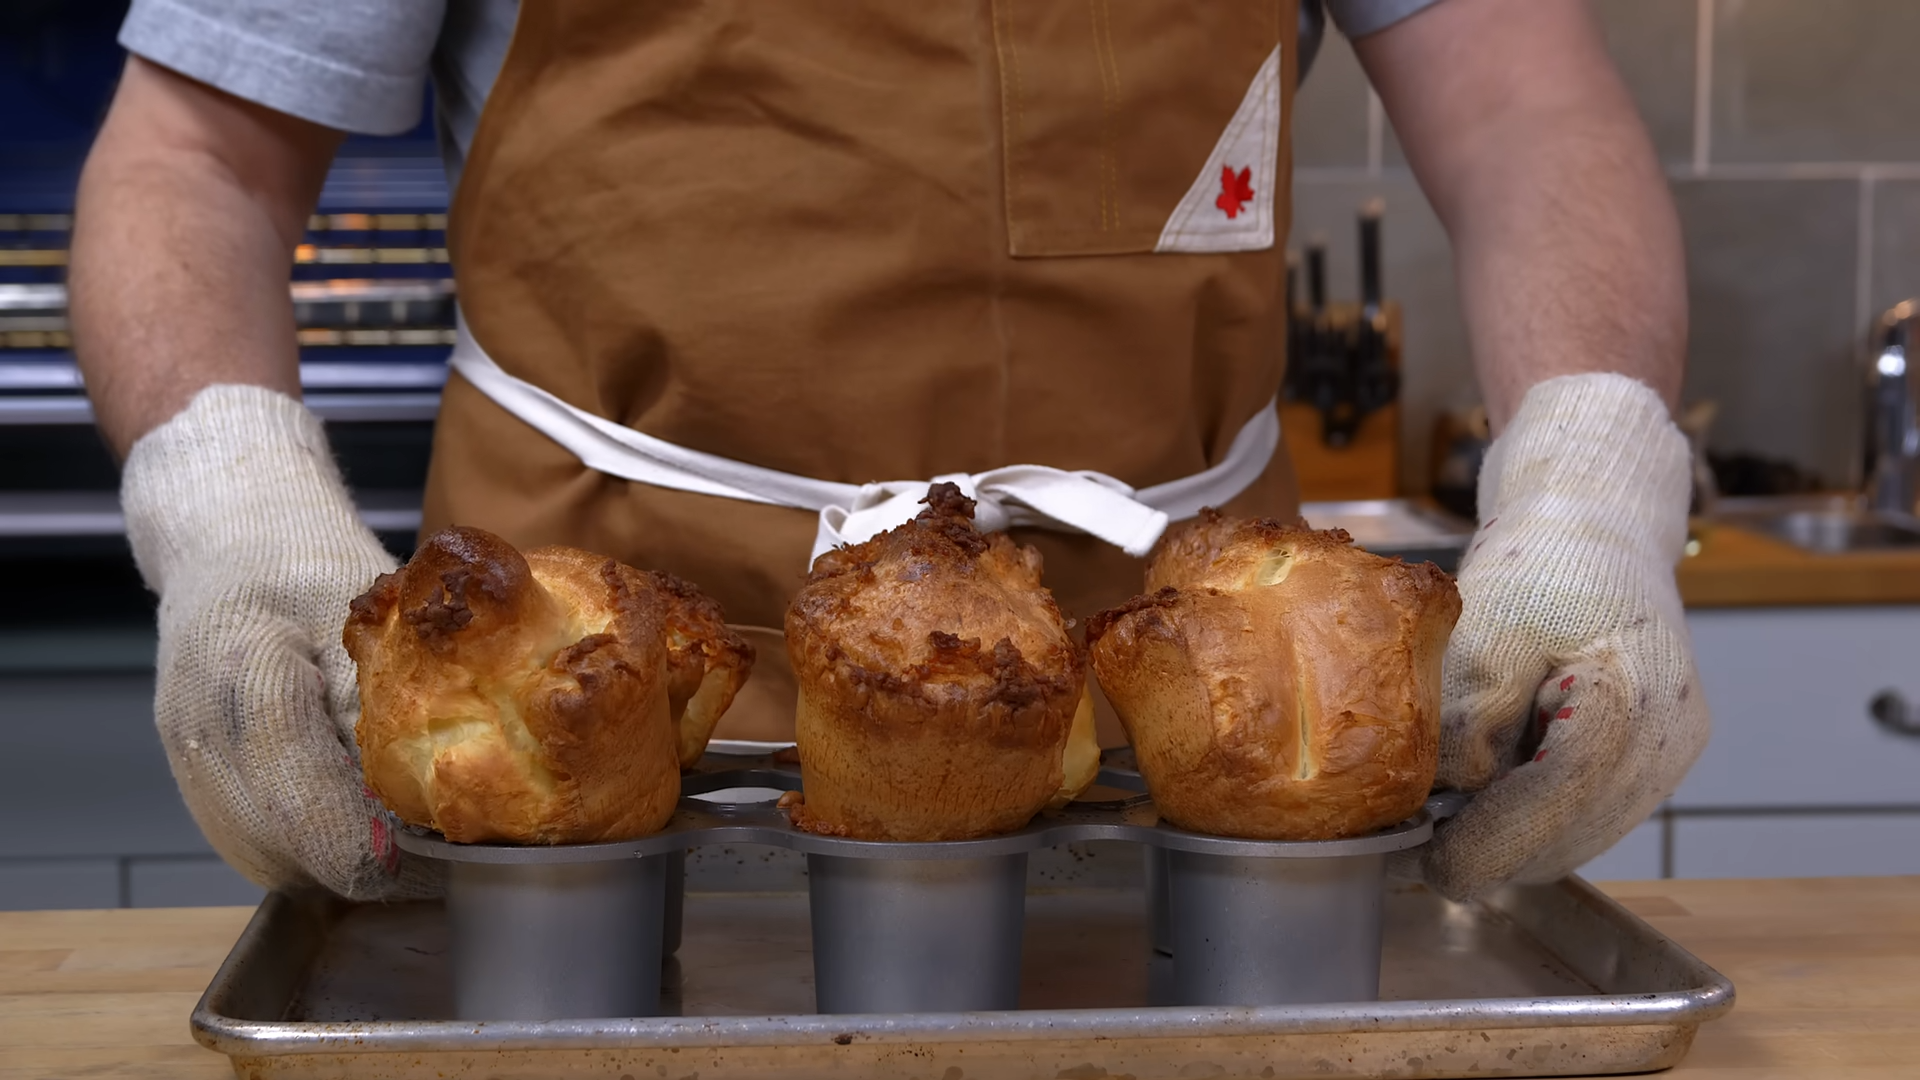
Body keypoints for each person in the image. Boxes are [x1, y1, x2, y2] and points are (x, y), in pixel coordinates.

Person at [70, 0, 1707, 904]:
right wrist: (235, 523)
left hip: (1207, 732)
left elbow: (1524, 109)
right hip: (591, 729)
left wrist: (1594, 487)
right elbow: (199, 154)